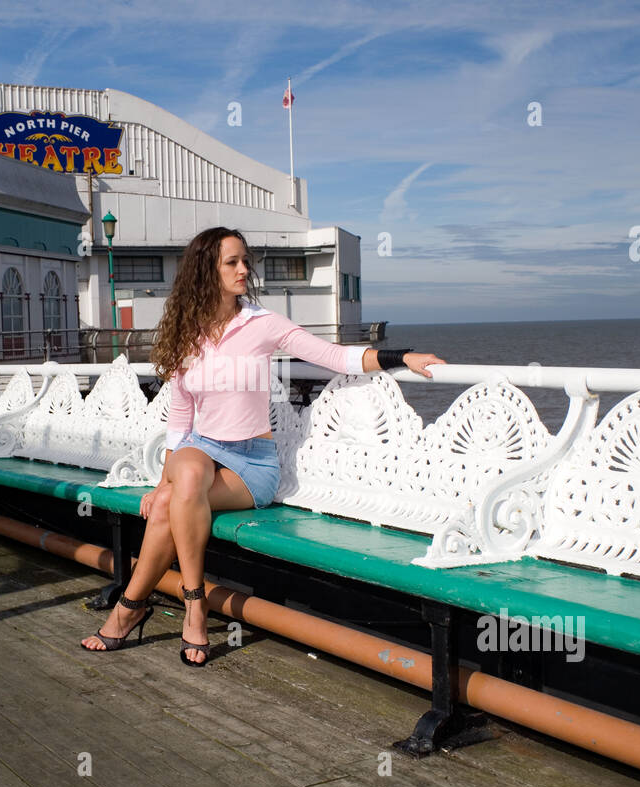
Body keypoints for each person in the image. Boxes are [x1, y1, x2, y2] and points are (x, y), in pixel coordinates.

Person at [81, 227, 446, 665]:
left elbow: (334, 357)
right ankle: (191, 603)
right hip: (199, 454)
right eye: (231, 262)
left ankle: (134, 608)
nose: (243, 269)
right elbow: (180, 422)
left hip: (251, 463)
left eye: (244, 261)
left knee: (172, 502)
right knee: (179, 484)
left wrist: (401, 356)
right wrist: (163, 483)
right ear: (205, 272)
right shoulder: (185, 333)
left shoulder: (261, 324)